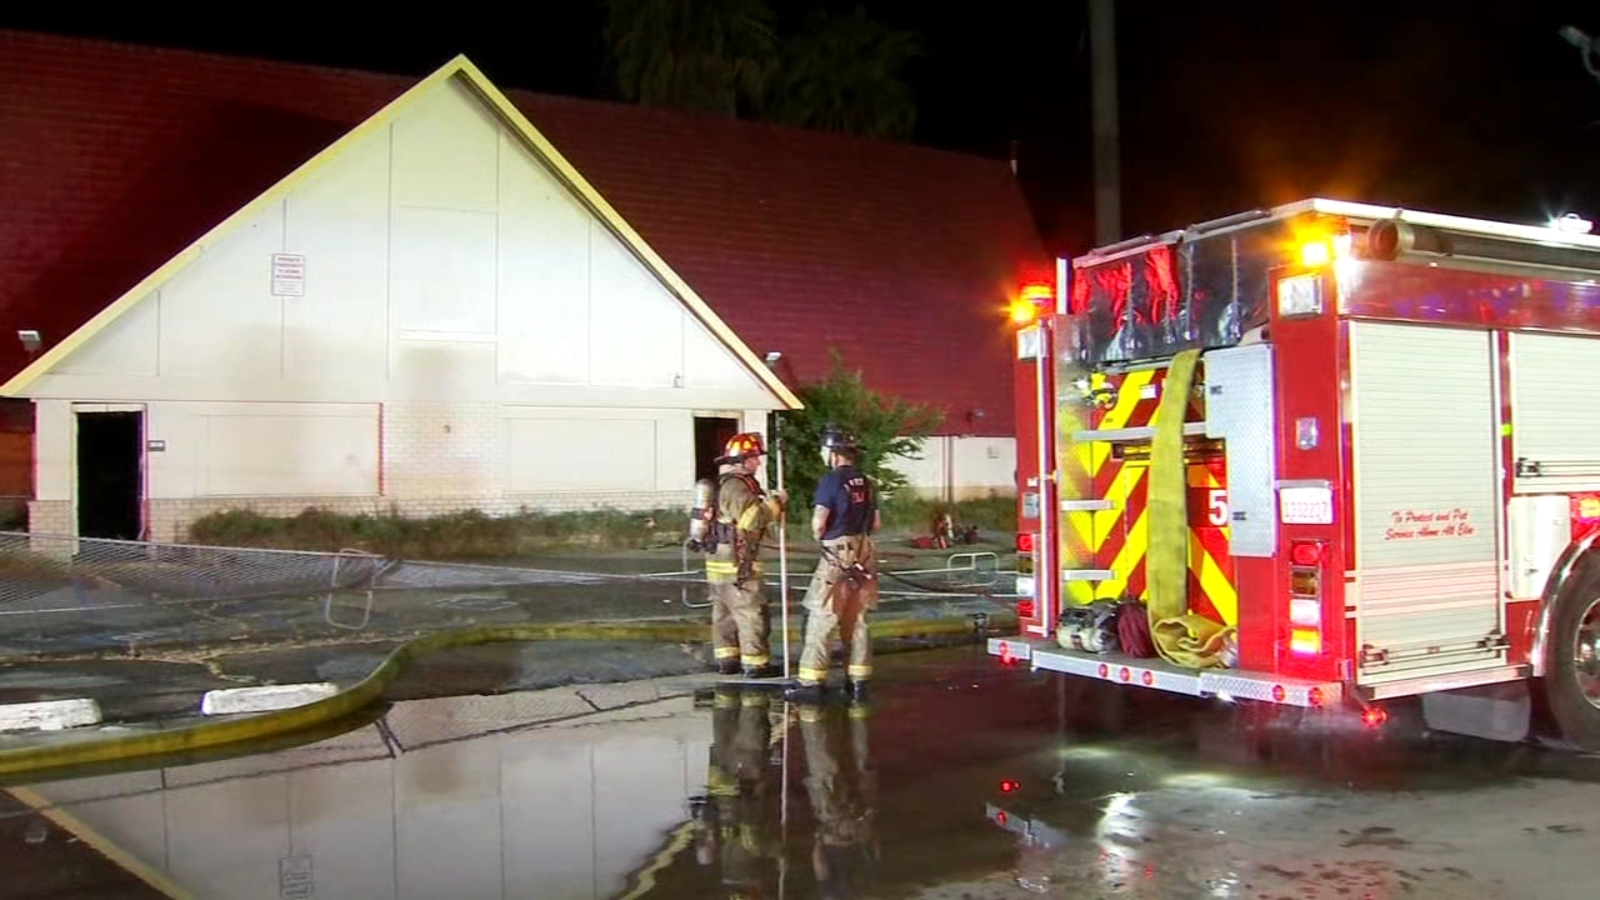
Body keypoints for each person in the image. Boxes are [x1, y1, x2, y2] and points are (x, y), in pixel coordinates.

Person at [787, 425, 879, 702]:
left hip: (837, 554)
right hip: (864, 552)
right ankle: (858, 680)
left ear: (833, 453)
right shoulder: (866, 480)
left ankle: (811, 683)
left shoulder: (831, 481)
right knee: (858, 618)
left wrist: (818, 534)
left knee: (822, 615)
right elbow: (876, 523)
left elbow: (818, 524)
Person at [707, 432, 786, 678]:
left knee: (724, 611)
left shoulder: (723, 483)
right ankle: (755, 664)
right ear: (742, 460)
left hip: (718, 559)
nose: (758, 463)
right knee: (749, 610)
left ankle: (728, 659)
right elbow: (751, 520)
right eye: (754, 458)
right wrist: (776, 504)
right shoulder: (737, 486)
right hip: (737, 560)